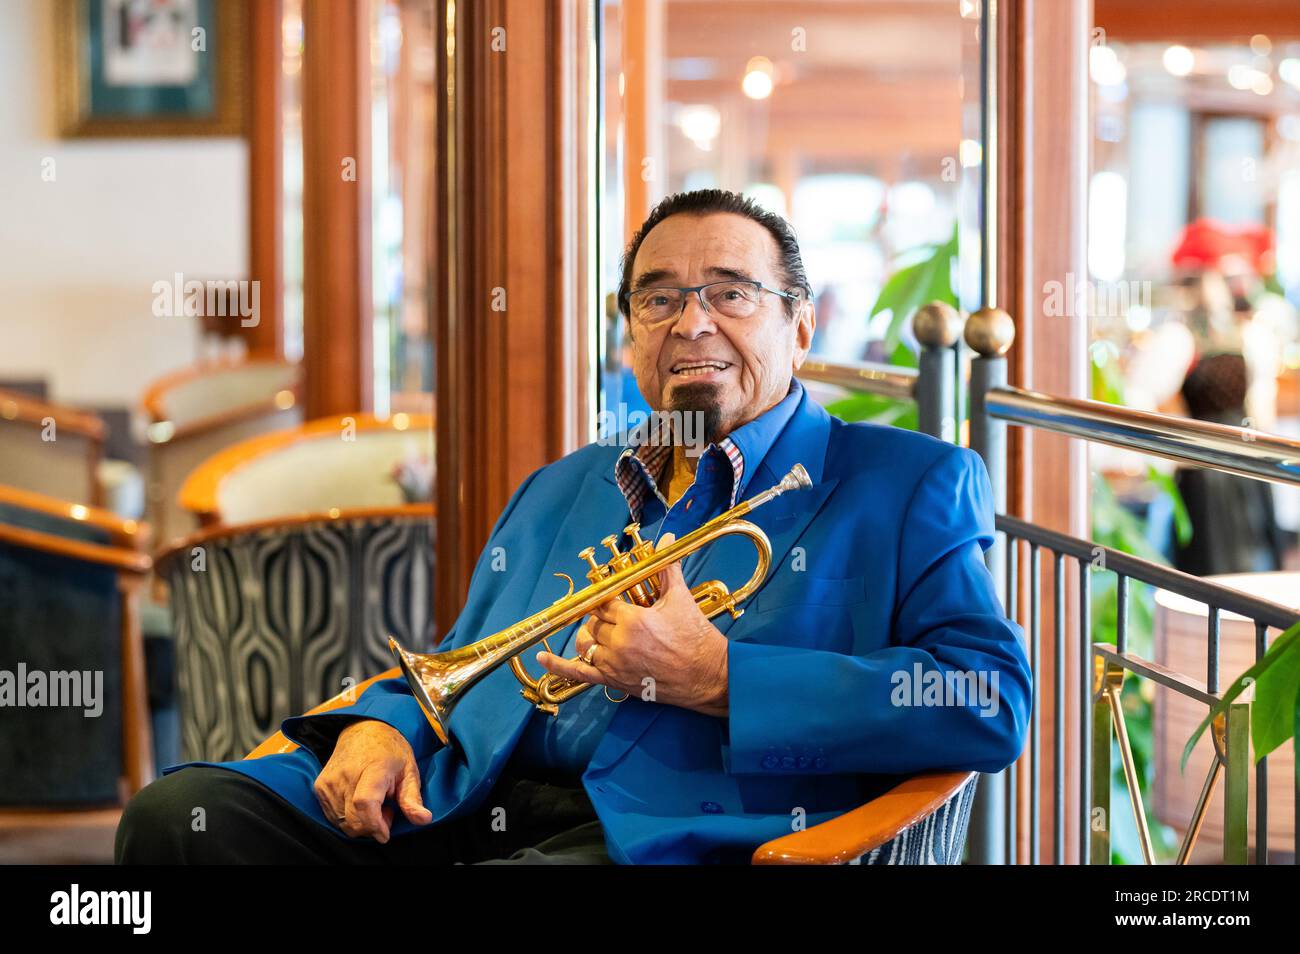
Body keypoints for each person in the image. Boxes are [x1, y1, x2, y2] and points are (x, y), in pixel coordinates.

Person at [116, 189, 1031, 865]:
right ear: (632, 336)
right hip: (457, 798)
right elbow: (456, 662)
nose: (692, 322)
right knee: (175, 821)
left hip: (667, 835)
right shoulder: (564, 485)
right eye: (659, 297)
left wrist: (722, 678)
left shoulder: (909, 482)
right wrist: (382, 725)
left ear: (801, 326)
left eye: (731, 293)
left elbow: (989, 699)